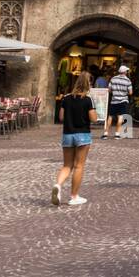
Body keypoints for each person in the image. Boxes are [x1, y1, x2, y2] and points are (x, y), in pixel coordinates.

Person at [54, 74, 97, 206]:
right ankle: (74, 196)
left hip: (67, 134)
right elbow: (93, 118)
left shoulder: (66, 98)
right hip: (83, 134)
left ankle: (58, 185)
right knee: (79, 166)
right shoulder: (88, 100)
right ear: (88, 84)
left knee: (67, 165)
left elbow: (61, 117)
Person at [103, 64, 132, 139]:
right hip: (123, 100)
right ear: (125, 72)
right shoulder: (127, 80)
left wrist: (115, 92)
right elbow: (130, 92)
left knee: (110, 117)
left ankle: (105, 133)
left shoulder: (113, 79)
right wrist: (124, 92)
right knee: (120, 117)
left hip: (114, 100)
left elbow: (109, 90)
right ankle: (117, 134)